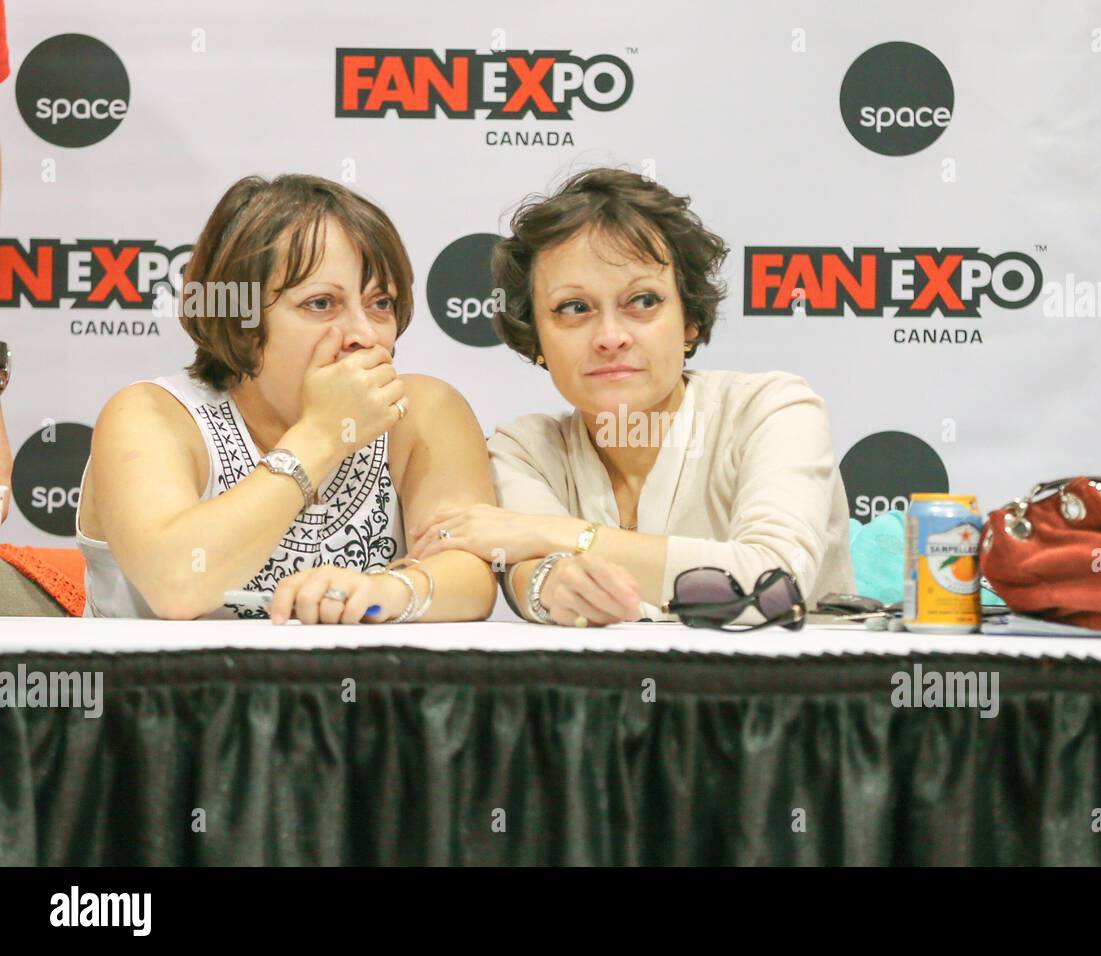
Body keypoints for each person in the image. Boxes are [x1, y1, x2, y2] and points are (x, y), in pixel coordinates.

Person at [409, 167, 854, 627]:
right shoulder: (525, 450)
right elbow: (534, 573)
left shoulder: (771, 410)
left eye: (642, 301)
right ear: (535, 339)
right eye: (574, 308)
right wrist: (552, 585)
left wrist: (564, 535)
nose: (610, 336)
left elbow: (772, 587)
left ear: (689, 321)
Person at [75, 174, 496, 622]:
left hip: (355, 693)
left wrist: (387, 591)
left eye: (380, 303)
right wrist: (320, 436)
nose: (365, 334)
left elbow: (471, 579)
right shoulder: (150, 414)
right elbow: (177, 584)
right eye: (320, 304)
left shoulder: (423, 411)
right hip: (159, 691)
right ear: (242, 321)